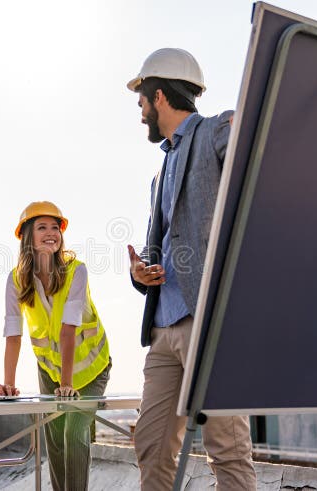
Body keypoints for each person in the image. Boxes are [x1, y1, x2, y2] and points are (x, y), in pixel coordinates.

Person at [125, 48, 257, 490]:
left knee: (228, 448)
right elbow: (153, 248)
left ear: (158, 96)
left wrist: (247, 122)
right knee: (152, 446)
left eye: (141, 101)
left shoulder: (215, 130)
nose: (140, 111)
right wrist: (141, 272)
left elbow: (250, 138)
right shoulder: (159, 173)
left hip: (208, 321)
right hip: (164, 329)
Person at [0, 201, 111, 491]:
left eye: (55, 227)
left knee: (73, 433)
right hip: (50, 370)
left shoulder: (76, 271)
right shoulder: (17, 279)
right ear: (27, 237)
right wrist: (8, 384)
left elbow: (68, 329)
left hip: (91, 369)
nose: (51, 233)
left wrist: (68, 384)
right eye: (42, 227)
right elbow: (13, 333)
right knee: (54, 439)